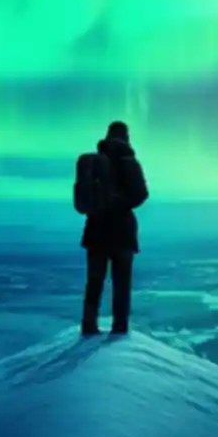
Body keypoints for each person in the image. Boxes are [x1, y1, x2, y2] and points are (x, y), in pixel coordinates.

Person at [77, 120, 148, 336]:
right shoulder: (129, 161)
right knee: (121, 283)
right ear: (126, 136)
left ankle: (89, 325)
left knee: (94, 282)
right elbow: (141, 194)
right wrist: (121, 202)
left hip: (96, 230)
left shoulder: (93, 162)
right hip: (122, 232)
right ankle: (119, 327)